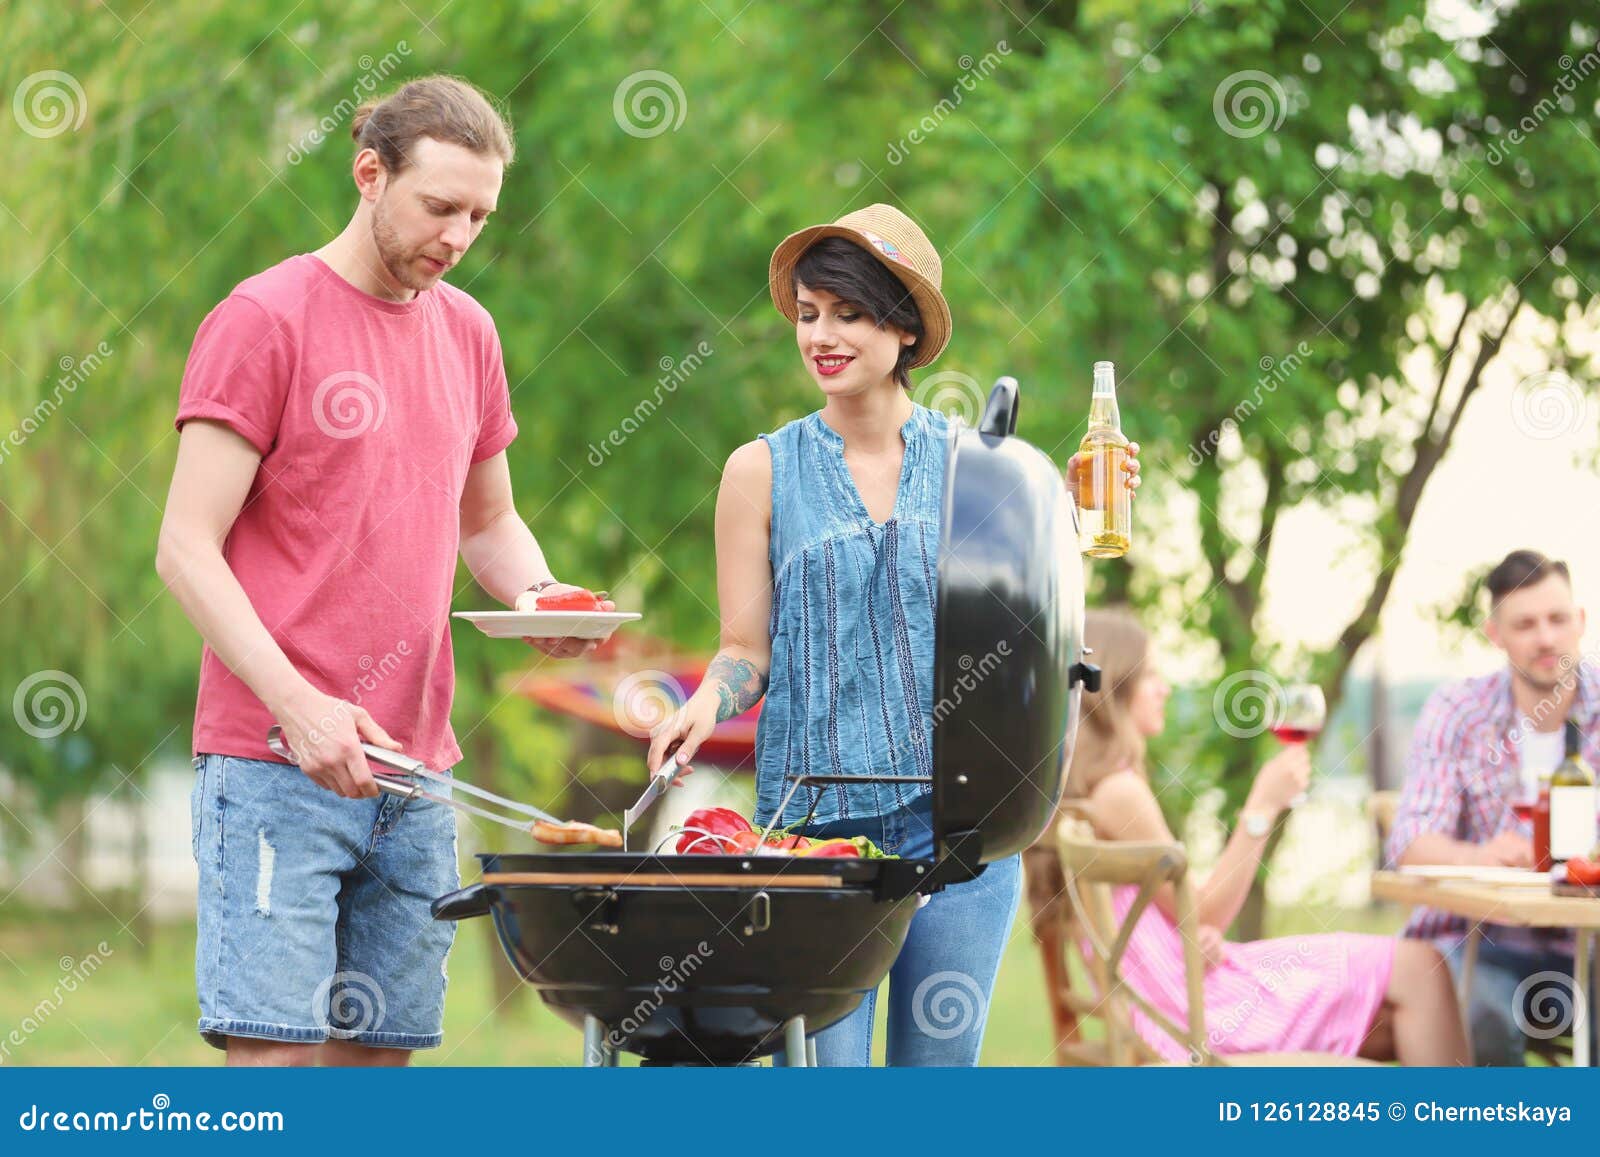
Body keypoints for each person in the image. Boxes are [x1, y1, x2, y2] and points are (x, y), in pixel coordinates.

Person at [156, 77, 606, 1066]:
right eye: (438, 206)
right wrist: (300, 703)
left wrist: (540, 597)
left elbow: (489, 521)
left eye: (480, 215)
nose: (459, 235)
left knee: (378, 1072)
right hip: (273, 759)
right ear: (369, 174)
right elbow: (185, 545)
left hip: (414, 767)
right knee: (273, 1072)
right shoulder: (263, 319)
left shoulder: (468, 332)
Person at [646, 204, 1139, 1066]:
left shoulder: (975, 467)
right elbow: (744, 649)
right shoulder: (758, 472)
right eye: (809, 314)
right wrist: (705, 702)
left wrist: (1054, 509)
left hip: (957, 829)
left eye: (849, 312)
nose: (822, 335)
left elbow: (1027, 620)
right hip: (813, 833)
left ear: (904, 328)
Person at [1032, 607, 1469, 1064]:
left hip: (1185, 997)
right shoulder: (1119, 790)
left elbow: (1173, 922)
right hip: (1202, 1015)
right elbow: (1206, 911)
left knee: (1400, 1015)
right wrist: (1261, 807)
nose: (1165, 689)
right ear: (1115, 685)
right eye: (1152, 675)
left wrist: (1196, 939)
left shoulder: (1083, 792)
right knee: (1423, 966)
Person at [1388, 548, 1597, 1065]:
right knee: (1482, 1011)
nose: (1546, 638)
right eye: (1525, 624)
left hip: (1590, 943)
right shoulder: (1459, 712)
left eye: (1557, 619)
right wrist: (1478, 857)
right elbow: (1410, 843)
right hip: (1485, 941)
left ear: (1581, 622)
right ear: (1495, 634)